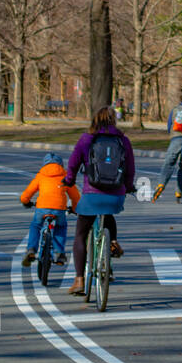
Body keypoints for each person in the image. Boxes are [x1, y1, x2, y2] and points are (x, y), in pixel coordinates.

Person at [63, 105, 136, 296]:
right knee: (109, 213)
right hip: (115, 196)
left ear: (94, 120)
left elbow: (72, 164)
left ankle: (79, 280)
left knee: (81, 233)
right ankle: (113, 242)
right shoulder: (123, 140)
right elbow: (130, 168)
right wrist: (128, 187)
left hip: (92, 194)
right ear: (114, 121)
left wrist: (68, 181)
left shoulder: (86, 139)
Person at [20, 152, 80, 269]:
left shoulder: (41, 176)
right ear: (61, 165)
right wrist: (74, 209)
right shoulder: (65, 176)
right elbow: (75, 197)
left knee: (36, 226)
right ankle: (59, 253)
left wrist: (26, 202)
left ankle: (31, 249)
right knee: (60, 227)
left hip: (42, 208)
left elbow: (26, 195)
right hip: (59, 209)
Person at [153, 90, 182, 202]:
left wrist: (173, 135)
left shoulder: (175, 110)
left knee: (169, 163)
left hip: (175, 139)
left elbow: (169, 126)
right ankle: (179, 191)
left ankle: (161, 184)